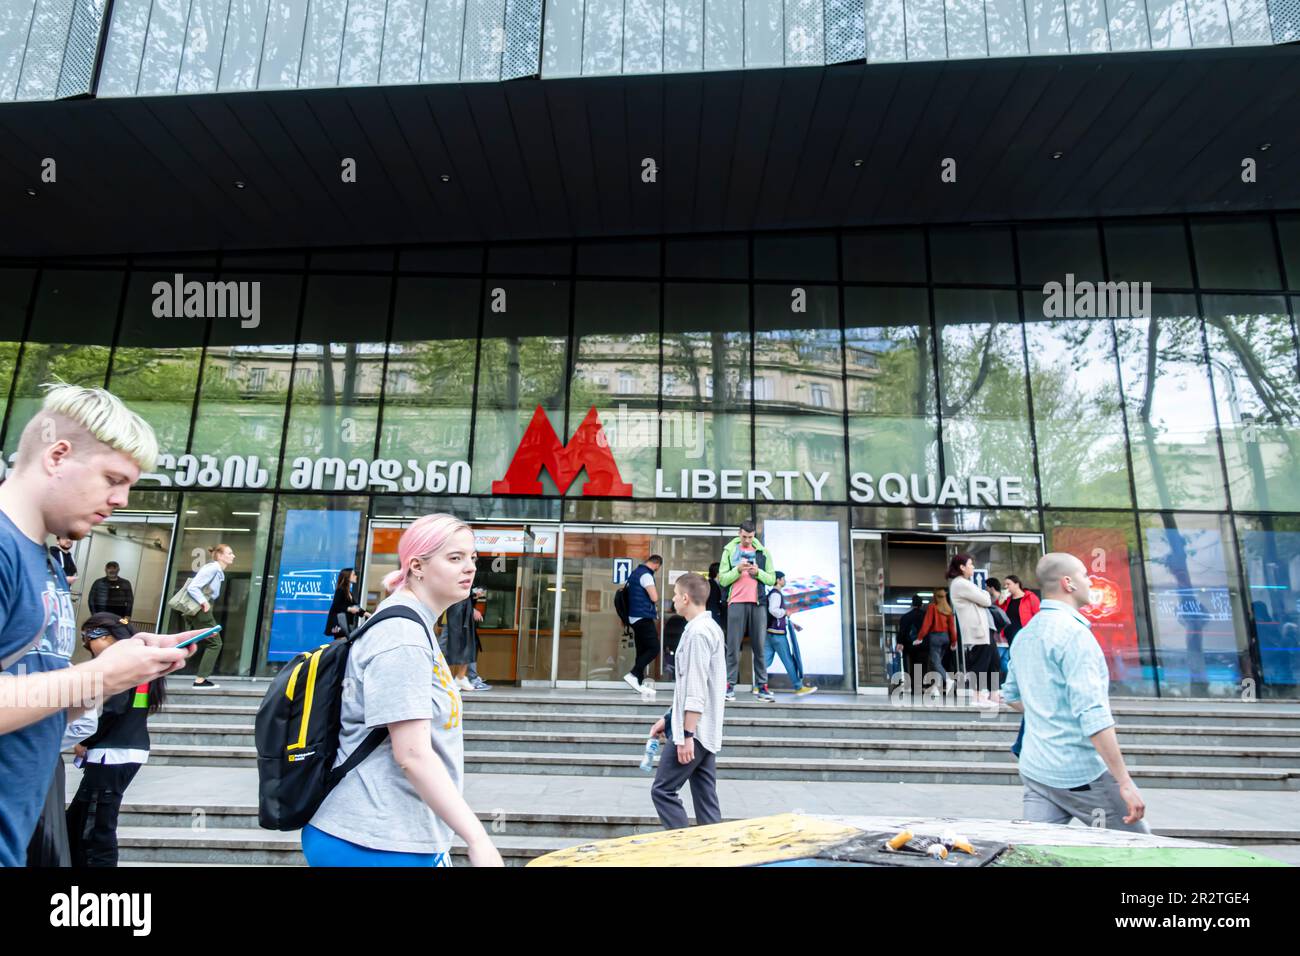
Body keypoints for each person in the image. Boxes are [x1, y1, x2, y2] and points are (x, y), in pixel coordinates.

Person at [0, 383, 199, 868]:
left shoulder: (46, 561)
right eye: (113, 478)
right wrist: (103, 675)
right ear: (58, 455)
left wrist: (125, 668)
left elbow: (35, 708)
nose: (123, 499)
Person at [303, 513, 504, 867]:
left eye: (472, 558)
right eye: (454, 558)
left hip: (397, 833)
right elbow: (412, 755)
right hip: (373, 840)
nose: (470, 568)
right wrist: (477, 839)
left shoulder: (415, 626)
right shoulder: (403, 637)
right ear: (417, 566)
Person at [998, 552, 1149, 833]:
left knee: (1035, 854)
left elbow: (1012, 696)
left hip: (1036, 769)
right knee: (1140, 851)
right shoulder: (1075, 636)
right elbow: (1092, 714)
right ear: (1068, 583)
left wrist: (1047, 709)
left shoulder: (1024, 635)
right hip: (1080, 773)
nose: (1090, 581)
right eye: (1084, 575)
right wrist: (1125, 782)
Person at [65, 613, 167, 867]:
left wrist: (86, 741)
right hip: (127, 748)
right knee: (80, 816)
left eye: (89, 636)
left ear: (110, 637)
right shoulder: (138, 664)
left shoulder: (122, 664)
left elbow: (114, 710)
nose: (87, 643)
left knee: (97, 824)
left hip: (113, 751)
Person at [648, 572, 726, 830]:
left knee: (663, 790)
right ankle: (714, 854)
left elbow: (695, 688)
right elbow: (690, 685)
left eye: (674, 594)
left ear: (685, 597)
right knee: (706, 800)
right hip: (705, 729)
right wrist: (669, 718)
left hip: (694, 731)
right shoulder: (708, 628)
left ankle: (683, 851)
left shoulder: (697, 633)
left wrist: (686, 734)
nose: (672, 599)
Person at [717, 519, 777, 702]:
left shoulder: (763, 552)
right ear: (738, 533)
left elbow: (772, 579)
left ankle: (763, 687)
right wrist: (737, 570)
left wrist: (757, 572)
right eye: (744, 537)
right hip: (736, 602)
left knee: (759, 646)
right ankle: (729, 686)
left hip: (758, 603)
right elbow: (722, 579)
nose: (747, 541)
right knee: (733, 647)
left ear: (754, 535)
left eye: (750, 537)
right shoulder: (729, 551)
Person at [183, 543, 235, 689]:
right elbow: (193, 587)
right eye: (229, 553)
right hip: (200, 609)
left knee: (186, 642)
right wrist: (204, 602)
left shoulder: (216, 570)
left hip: (198, 609)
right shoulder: (213, 568)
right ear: (219, 555)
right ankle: (200, 680)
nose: (233, 556)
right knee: (215, 643)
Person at [949, 553, 998, 706]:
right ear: (962, 567)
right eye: (970, 564)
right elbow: (986, 599)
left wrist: (981, 593)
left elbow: (983, 598)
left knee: (992, 660)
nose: (973, 567)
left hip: (982, 628)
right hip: (976, 630)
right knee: (980, 662)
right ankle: (977, 697)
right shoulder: (961, 583)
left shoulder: (965, 583)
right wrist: (983, 593)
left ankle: (993, 694)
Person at [766, 572, 816, 696]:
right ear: (778, 580)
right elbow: (773, 610)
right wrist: (785, 612)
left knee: (765, 661)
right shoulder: (776, 594)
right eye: (783, 579)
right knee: (789, 660)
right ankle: (798, 687)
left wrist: (792, 624)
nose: (785, 581)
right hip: (778, 634)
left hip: (770, 633)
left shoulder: (773, 594)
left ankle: (758, 686)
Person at [623, 554, 663, 694]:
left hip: (634, 617)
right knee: (654, 648)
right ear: (657, 564)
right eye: (658, 568)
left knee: (642, 650)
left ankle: (638, 683)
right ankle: (633, 674)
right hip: (643, 617)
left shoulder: (635, 573)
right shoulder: (646, 575)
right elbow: (654, 597)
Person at [915, 588, 958, 697]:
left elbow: (927, 623)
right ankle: (936, 688)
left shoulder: (932, 607)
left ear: (935, 597)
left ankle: (948, 680)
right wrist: (953, 642)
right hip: (946, 638)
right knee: (938, 663)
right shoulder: (948, 609)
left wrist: (920, 637)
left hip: (935, 637)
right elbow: (952, 628)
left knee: (936, 663)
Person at [440, 595, 480, 692]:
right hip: (454, 612)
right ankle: (446, 678)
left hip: (461, 610)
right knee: (445, 648)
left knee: (467, 644)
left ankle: (460, 677)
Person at [896, 594, 926, 697]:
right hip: (923, 645)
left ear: (912, 604)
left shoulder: (906, 617)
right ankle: (919, 687)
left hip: (909, 645)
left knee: (910, 665)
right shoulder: (925, 616)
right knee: (921, 665)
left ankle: (911, 686)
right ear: (921, 604)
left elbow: (902, 631)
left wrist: (900, 642)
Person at [999, 574, 1041, 646]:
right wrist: (1001, 599)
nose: (1006, 587)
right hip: (1009, 635)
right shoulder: (1007, 599)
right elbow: (1001, 613)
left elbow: (1038, 616)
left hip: (1025, 635)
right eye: (1005, 585)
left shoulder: (1030, 597)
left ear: (1017, 584)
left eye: (1008, 584)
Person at [326, 567, 362, 639]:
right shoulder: (340, 590)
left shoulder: (350, 593)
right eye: (353, 575)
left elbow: (356, 608)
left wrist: (368, 614)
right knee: (341, 645)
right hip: (340, 625)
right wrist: (349, 609)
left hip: (346, 625)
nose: (356, 576)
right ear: (347, 577)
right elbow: (336, 606)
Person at [705, 563, 725, 631]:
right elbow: (712, 603)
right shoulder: (712, 585)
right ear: (718, 573)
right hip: (713, 615)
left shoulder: (711, 583)